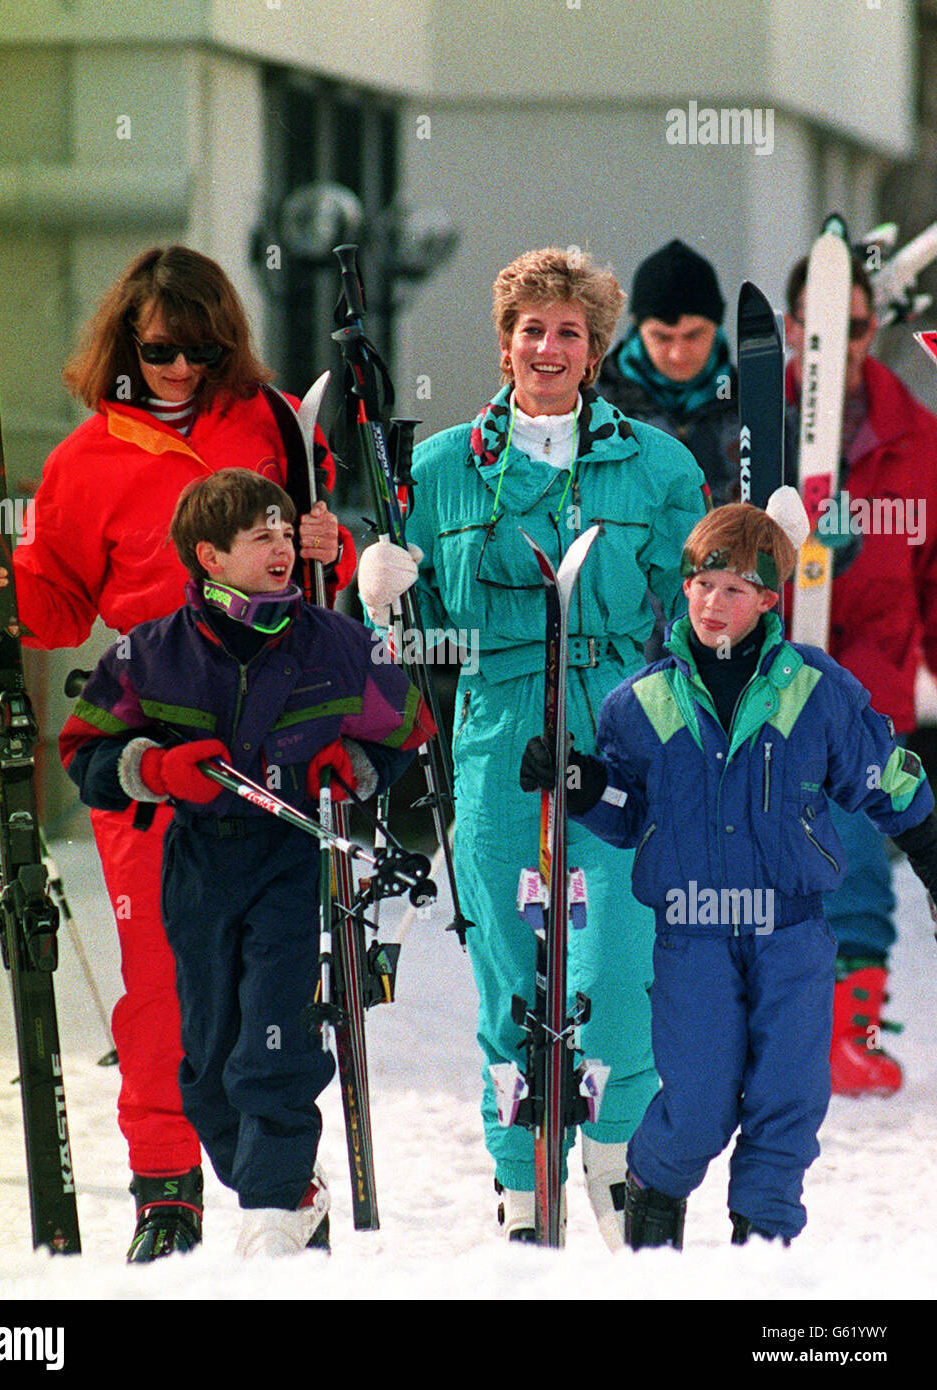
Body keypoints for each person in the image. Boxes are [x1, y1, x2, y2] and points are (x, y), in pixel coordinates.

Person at [0, 246, 356, 1260]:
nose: (181, 369)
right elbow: (59, 604)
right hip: (152, 731)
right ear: (128, 342)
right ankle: (164, 1186)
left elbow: (325, 561)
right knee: (164, 978)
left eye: (203, 349)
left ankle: (276, 1180)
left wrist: (331, 547)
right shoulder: (87, 460)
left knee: (270, 980)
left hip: (270, 734)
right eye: (163, 349)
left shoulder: (271, 425)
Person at [357, 247, 709, 1246]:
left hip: (616, 722)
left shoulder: (655, 464)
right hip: (496, 723)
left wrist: (763, 548)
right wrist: (382, 593)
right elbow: (409, 644)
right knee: (510, 974)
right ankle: (522, 1184)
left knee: (618, 959)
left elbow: (700, 612)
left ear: (594, 351)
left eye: (568, 332)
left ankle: (621, 1171)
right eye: (530, 330)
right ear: (504, 343)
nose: (547, 348)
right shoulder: (435, 471)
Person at [520, 495, 937, 1246]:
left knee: (788, 1102)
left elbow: (885, 779)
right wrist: (580, 784)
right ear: (683, 589)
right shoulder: (640, 703)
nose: (714, 602)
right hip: (694, 938)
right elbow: (625, 806)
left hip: (793, 933)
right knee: (700, 1106)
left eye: (736, 589)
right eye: (702, 584)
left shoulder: (814, 690)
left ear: (771, 600)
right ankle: (651, 1201)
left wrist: (933, 851)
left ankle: (764, 1257)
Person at [59, 470, 433, 1256]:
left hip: (293, 860)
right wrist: (154, 771)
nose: (282, 547)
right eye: (261, 535)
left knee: (275, 1037)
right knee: (206, 1067)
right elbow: (84, 752)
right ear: (209, 555)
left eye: (285, 531)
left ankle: (269, 1213)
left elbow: (410, 726)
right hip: (198, 865)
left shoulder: (333, 641)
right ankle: (291, 1190)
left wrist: (355, 766)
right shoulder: (151, 654)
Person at [784, 249, 937, 1097]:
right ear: (790, 327)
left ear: (869, 327)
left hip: (872, 684)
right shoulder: (756, 422)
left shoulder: (916, 432)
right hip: (769, 674)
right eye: (815, 328)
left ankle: (854, 1031)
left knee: (859, 857)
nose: (831, 347)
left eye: (848, 329)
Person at [597, 239, 739, 507]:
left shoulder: (756, 408)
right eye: (662, 337)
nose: (678, 354)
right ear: (638, 330)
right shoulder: (592, 409)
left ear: (717, 326)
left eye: (693, 335)